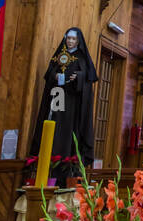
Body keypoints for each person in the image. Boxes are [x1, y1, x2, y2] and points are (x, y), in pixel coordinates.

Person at [30, 28, 98, 185]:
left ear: (78, 41)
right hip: (56, 103)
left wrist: (78, 78)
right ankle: (47, 174)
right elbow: (49, 74)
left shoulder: (81, 58)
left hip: (72, 108)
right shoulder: (59, 55)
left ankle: (67, 174)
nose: (71, 41)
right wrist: (55, 76)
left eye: (74, 39)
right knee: (51, 132)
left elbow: (88, 80)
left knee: (68, 137)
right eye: (69, 38)